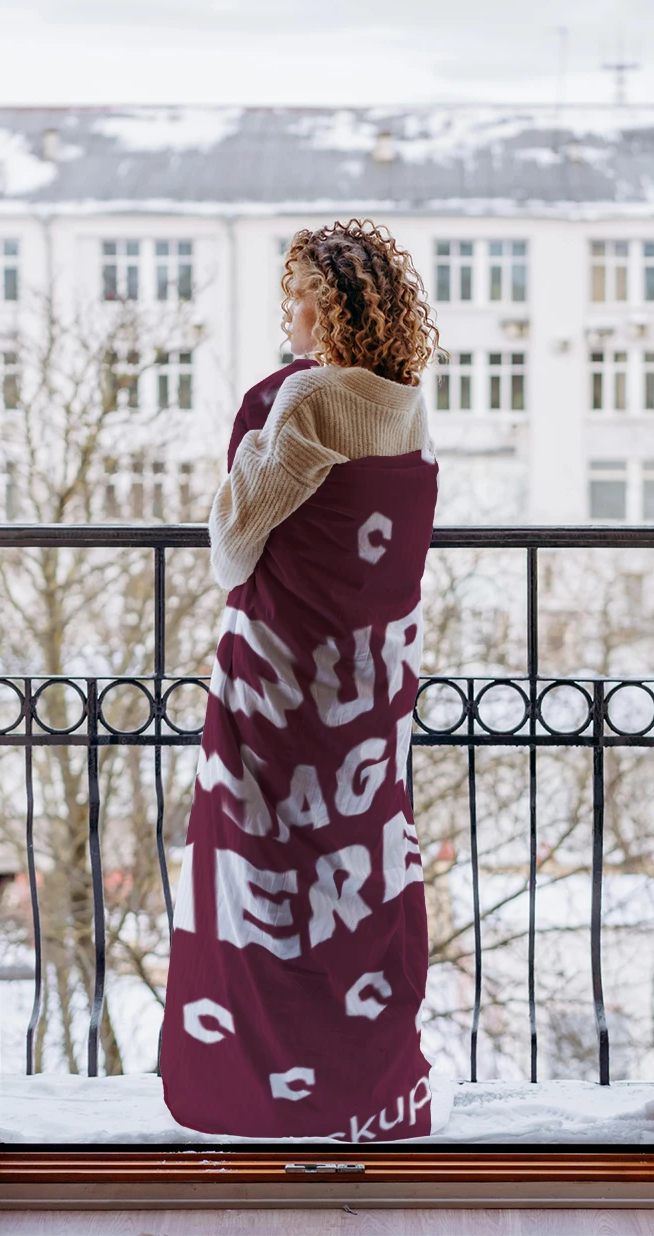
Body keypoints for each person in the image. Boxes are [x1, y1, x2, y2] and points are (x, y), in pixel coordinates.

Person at [160, 218, 449, 1142]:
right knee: (353, 877)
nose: (286, 316)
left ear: (324, 310)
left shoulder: (307, 400)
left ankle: (261, 1091)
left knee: (261, 874)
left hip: (282, 683)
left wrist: (254, 435)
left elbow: (232, 546)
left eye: (295, 299)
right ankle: (358, 1090)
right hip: (365, 687)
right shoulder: (407, 406)